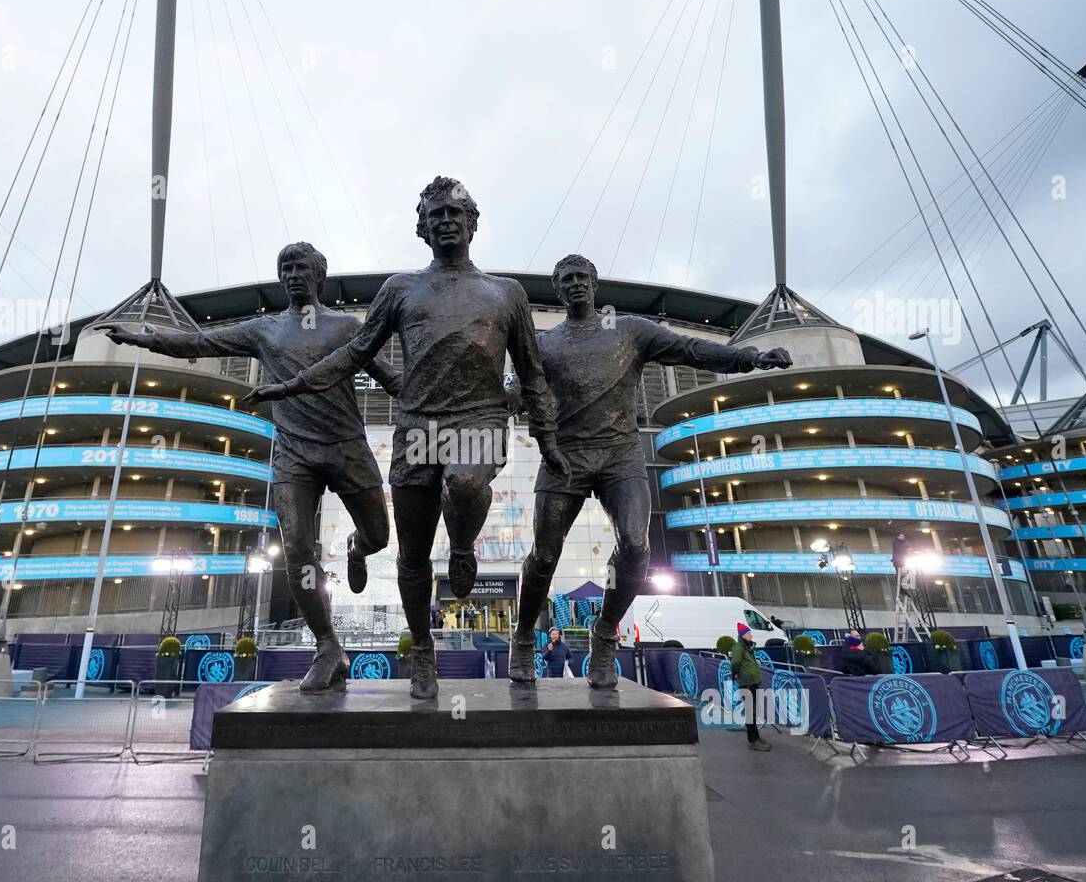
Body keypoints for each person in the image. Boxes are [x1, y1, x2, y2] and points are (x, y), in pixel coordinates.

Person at [250, 178, 565, 699]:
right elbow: (355, 354)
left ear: (472, 222)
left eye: (455, 212)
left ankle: (462, 545)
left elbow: (531, 373)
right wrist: (293, 383)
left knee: (465, 483)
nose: (445, 220)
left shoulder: (506, 293)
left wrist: (548, 440)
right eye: (435, 213)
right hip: (418, 425)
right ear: (422, 227)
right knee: (412, 555)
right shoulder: (400, 288)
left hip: (479, 418)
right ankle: (422, 649)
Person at [100, 242, 401, 694]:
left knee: (379, 535)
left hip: (346, 448)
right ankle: (327, 647)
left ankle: (357, 550)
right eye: (286, 268)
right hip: (294, 455)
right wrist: (144, 337)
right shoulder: (265, 330)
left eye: (302, 267)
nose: (293, 274)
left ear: (320, 275)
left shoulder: (345, 327)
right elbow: (199, 341)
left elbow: (388, 377)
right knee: (297, 551)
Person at [506, 253, 791, 688]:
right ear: (558, 289)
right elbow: (519, 393)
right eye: (566, 279)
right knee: (544, 554)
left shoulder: (630, 330)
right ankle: (524, 639)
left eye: (583, 276)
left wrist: (747, 357)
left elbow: (693, 350)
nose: (575, 283)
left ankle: (605, 634)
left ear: (595, 284)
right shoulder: (544, 344)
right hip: (565, 457)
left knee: (637, 548)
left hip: (620, 455)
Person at [729, 622, 769, 751]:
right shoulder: (739, 647)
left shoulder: (746, 647)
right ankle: (752, 740)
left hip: (752, 682)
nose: (751, 635)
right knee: (750, 712)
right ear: (743, 635)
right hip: (746, 683)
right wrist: (735, 674)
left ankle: (756, 737)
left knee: (753, 711)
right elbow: (735, 662)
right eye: (748, 633)